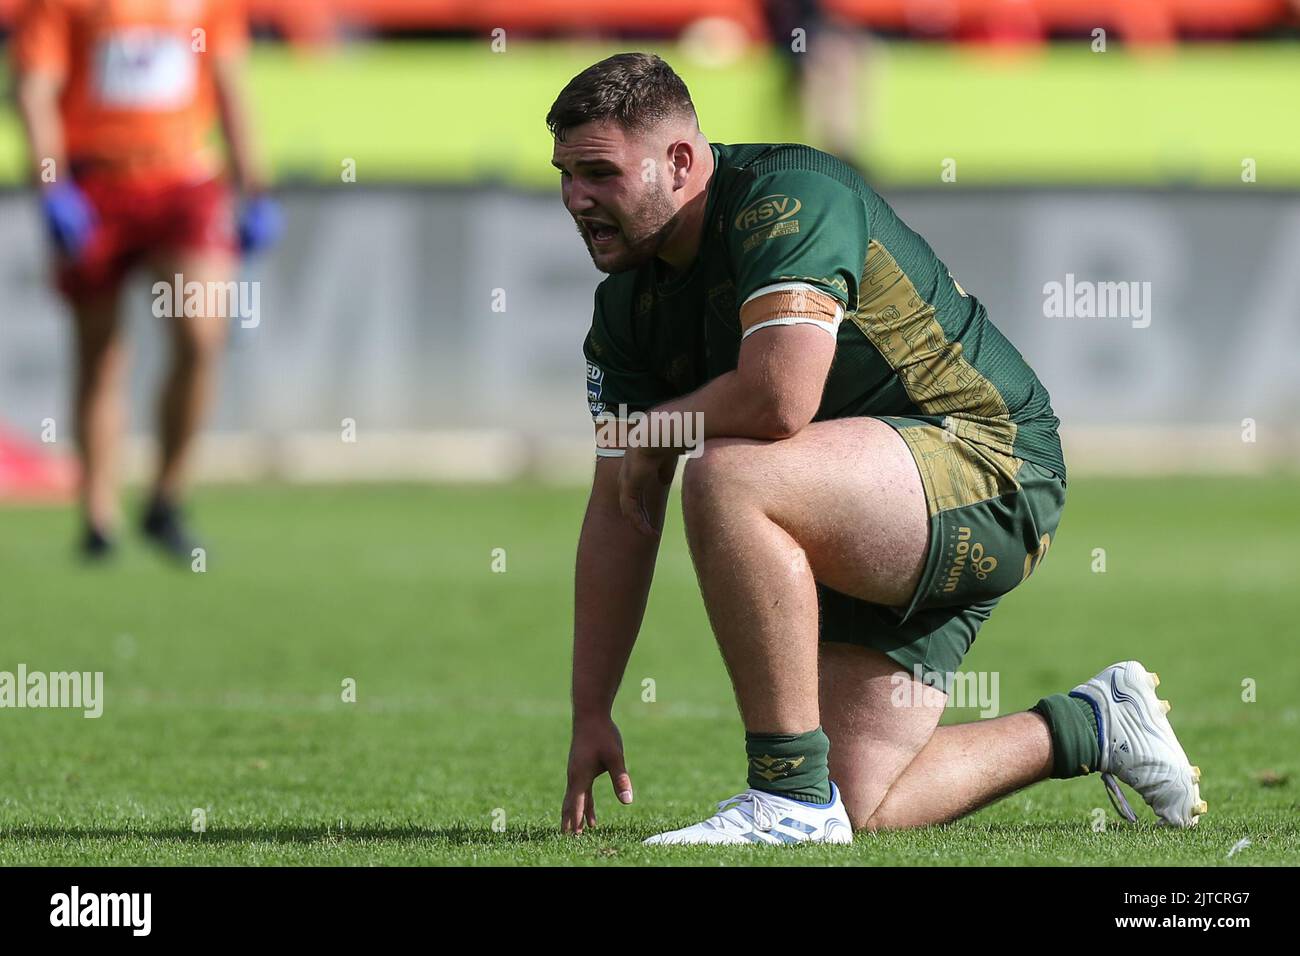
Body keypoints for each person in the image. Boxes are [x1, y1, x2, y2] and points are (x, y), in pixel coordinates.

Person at [551, 53, 1205, 844]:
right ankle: (1092, 726)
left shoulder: (788, 197)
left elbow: (779, 398)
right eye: (566, 175)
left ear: (680, 161)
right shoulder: (625, 307)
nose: (576, 199)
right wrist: (592, 708)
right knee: (863, 802)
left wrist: (658, 431)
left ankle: (784, 800)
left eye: (599, 173)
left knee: (727, 476)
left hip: (990, 466)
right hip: (857, 500)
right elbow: (621, 511)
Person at [13, 0, 281, 561]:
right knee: (101, 354)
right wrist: (50, 184)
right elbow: (35, 91)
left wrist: (254, 188)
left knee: (200, 337)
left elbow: (230, 86)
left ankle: (166, 496)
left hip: (185, 183)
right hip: (96, 185)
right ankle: (98, 517)